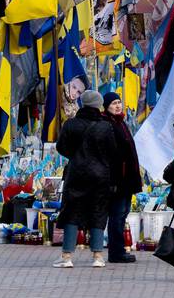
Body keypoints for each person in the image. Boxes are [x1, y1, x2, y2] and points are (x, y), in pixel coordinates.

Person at [53, 90, 116, 268]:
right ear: (99, 105)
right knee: (98, 211)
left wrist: (77, 156)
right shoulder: (105, 126)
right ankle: (97, 256)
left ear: (82, 103)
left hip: (77, 173)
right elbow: (112, 152)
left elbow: (61, 147)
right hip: (100, 175)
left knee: (72, 212)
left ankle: (67, 256)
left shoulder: (71, 124)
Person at [101, 91, 142, 264]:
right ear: (106, 106)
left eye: (119, 102)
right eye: (113, 103)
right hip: (117, 179)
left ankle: (118, 250)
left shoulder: (120, 122)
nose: (117, 105)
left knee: (123, 213)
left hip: (127, 179)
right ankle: (116, 252)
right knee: (117, 216)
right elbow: (112, 155)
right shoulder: (107, 124)